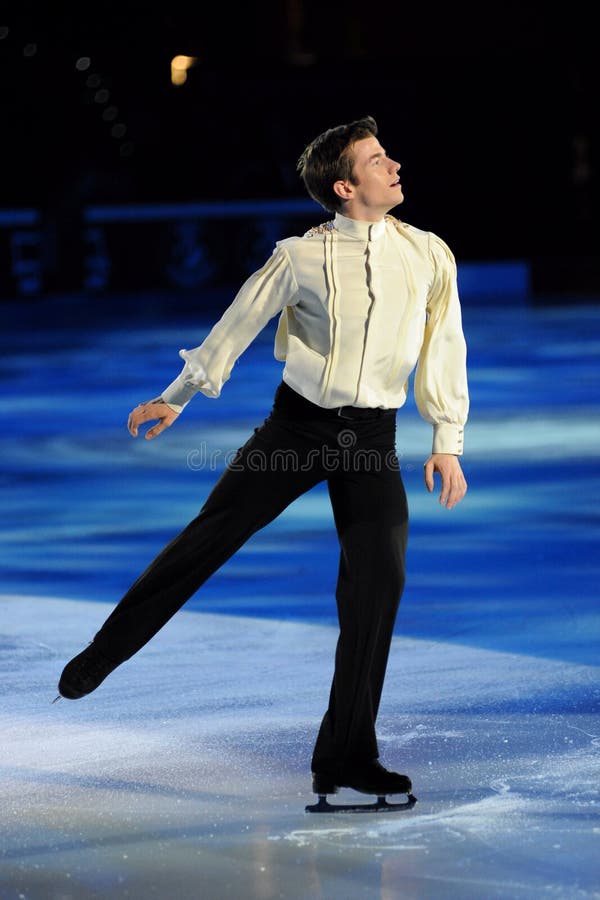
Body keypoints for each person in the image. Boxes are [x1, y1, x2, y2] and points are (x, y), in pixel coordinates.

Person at [57, 115, 468, 805]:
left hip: (372, 441)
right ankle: (105, 652)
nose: (393, 165)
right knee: (208, 538)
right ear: (344, 187)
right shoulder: (298, 257)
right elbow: (237, 325)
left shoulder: (429, 254)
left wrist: (447, 439)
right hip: (297, 431)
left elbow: (445, 345)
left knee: (378, 585)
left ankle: (345, 753)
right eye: (376, 160)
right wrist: (177, 396)